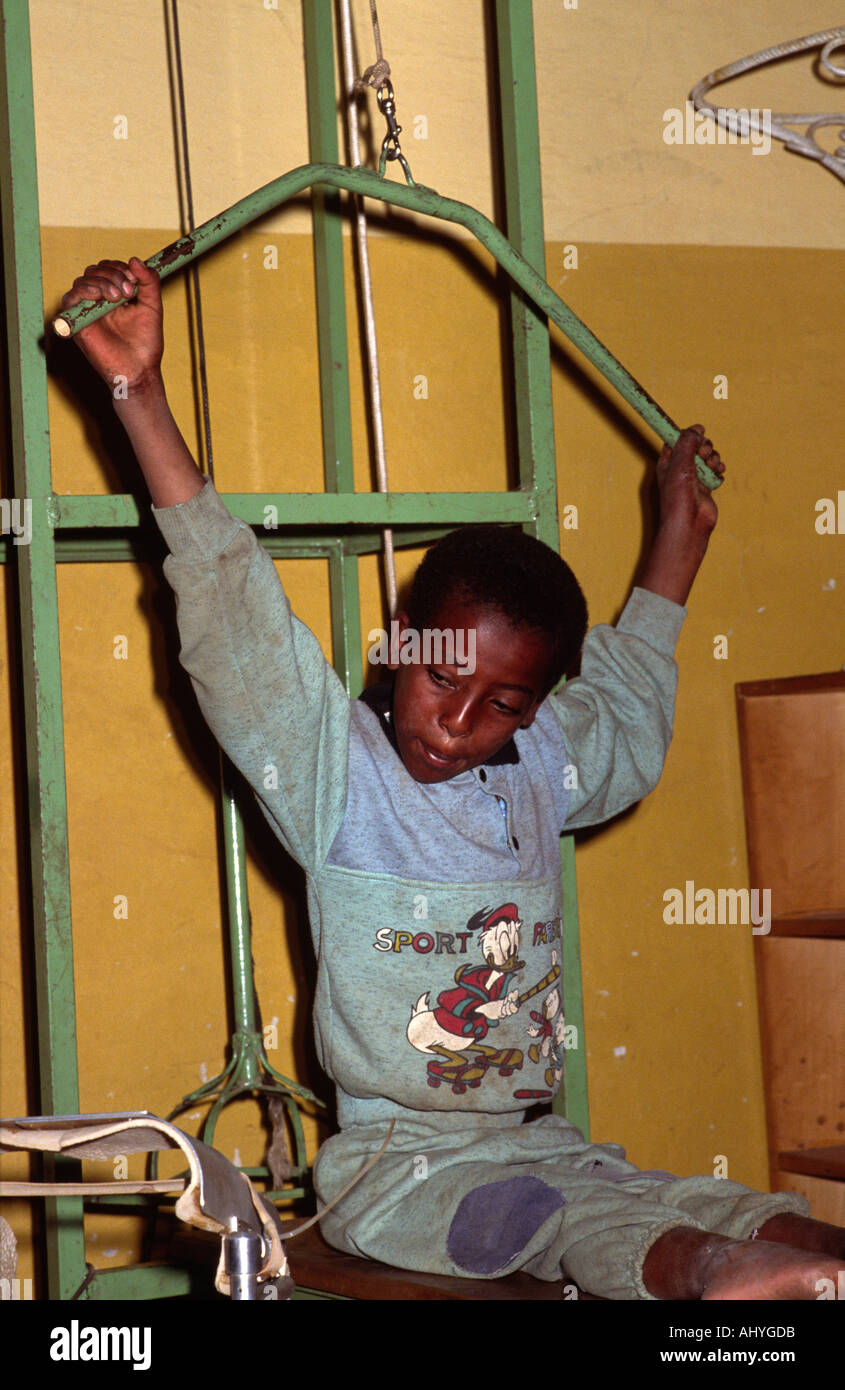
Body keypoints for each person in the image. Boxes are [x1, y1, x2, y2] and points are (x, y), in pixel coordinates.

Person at [60, 255, 845, 1300]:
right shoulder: (335, 772)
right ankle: (716, 1277)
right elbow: (231, 608)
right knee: (567, 1223)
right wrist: (140, 395)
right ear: (399, 643)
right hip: (395, 1173)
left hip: (545, 1139)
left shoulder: (537, 767)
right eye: (441, 679)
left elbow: (622, 713)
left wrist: (677, 538)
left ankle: (779, 1253)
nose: (461, 725)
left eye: (506, 704)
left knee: (702, 1197)